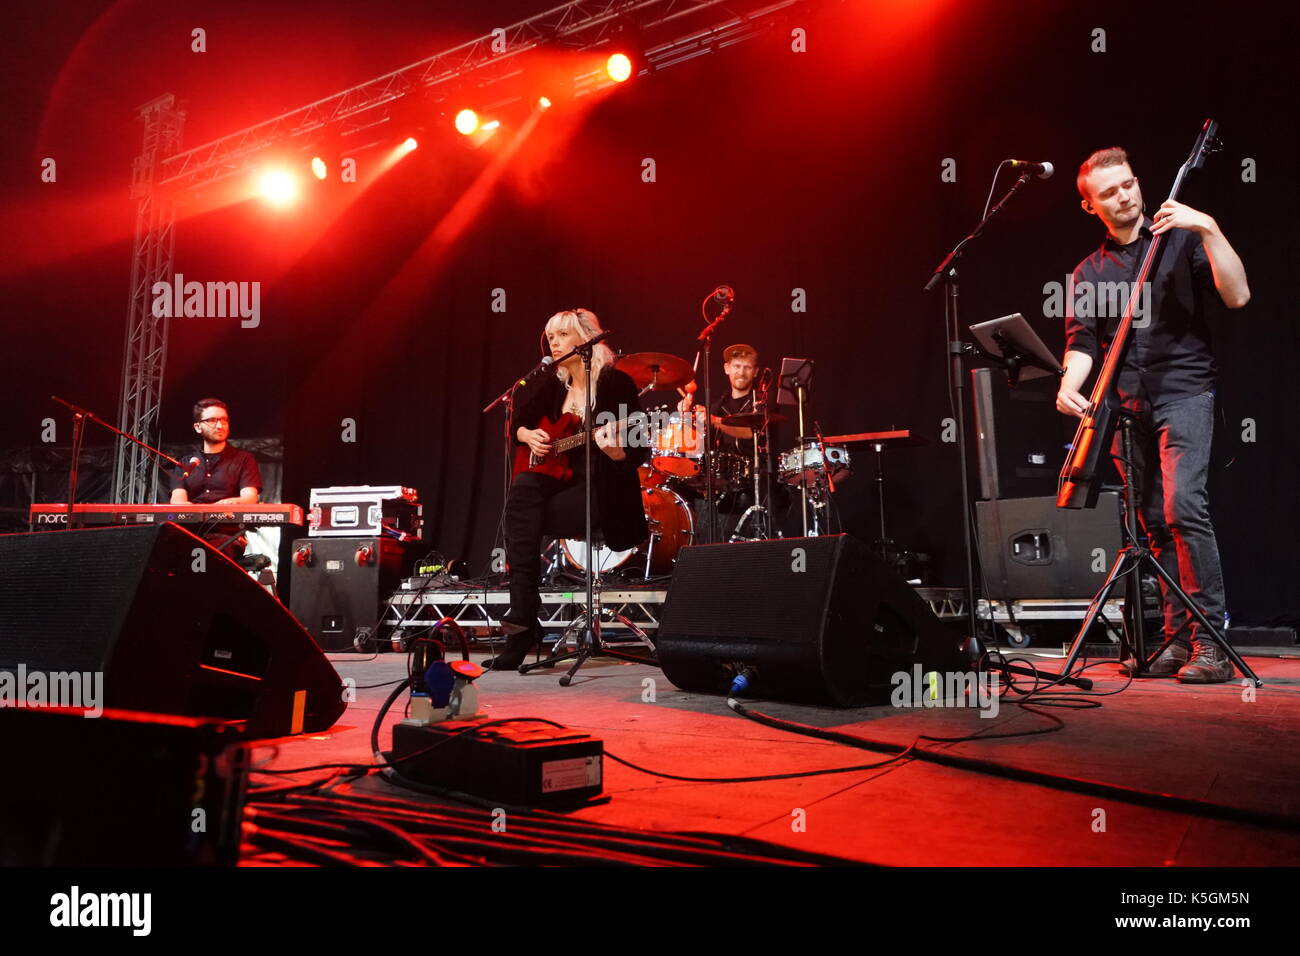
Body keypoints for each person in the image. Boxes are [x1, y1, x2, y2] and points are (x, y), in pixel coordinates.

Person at [1057, 147, 1250, 683]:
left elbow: (1238, 295)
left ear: (1138, 182)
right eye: (1109, 193)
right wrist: (1070, 385)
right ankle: (1176, 638)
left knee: (1184, 507)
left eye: (1128, 185)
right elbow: (1081, 346)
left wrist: (1208, 228)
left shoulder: (1181, 240)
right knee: (1154, 525)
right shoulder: (1087, 273)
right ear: (1089, 206)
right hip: (1125, 407)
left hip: (1184, 392)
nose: (1124, 197)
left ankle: (1212, 645)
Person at [491, 309, 649, 670]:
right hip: (555, 483)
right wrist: (526, 435)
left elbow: (638, 452)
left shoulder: (616, 383)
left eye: (562, 335)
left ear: (585, 339)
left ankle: (523, 627)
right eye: (551, 336)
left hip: (601, 489)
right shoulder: (553, 384)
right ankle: (524, 624)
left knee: (521, 523)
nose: (554, 342)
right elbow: (518, 421)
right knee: (522, 496)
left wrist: (615, 450)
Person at [169, 398, 262, 560]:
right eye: (212, 420)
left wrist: (232, 502)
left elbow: (250, 498)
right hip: (190, 533)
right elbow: (177, 502)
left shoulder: (244, 459)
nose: (220, 425)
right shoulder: (185, 463)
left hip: (227, 535)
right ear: (198, 427)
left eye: (224, 420)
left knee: (210, 555)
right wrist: (193, 510)